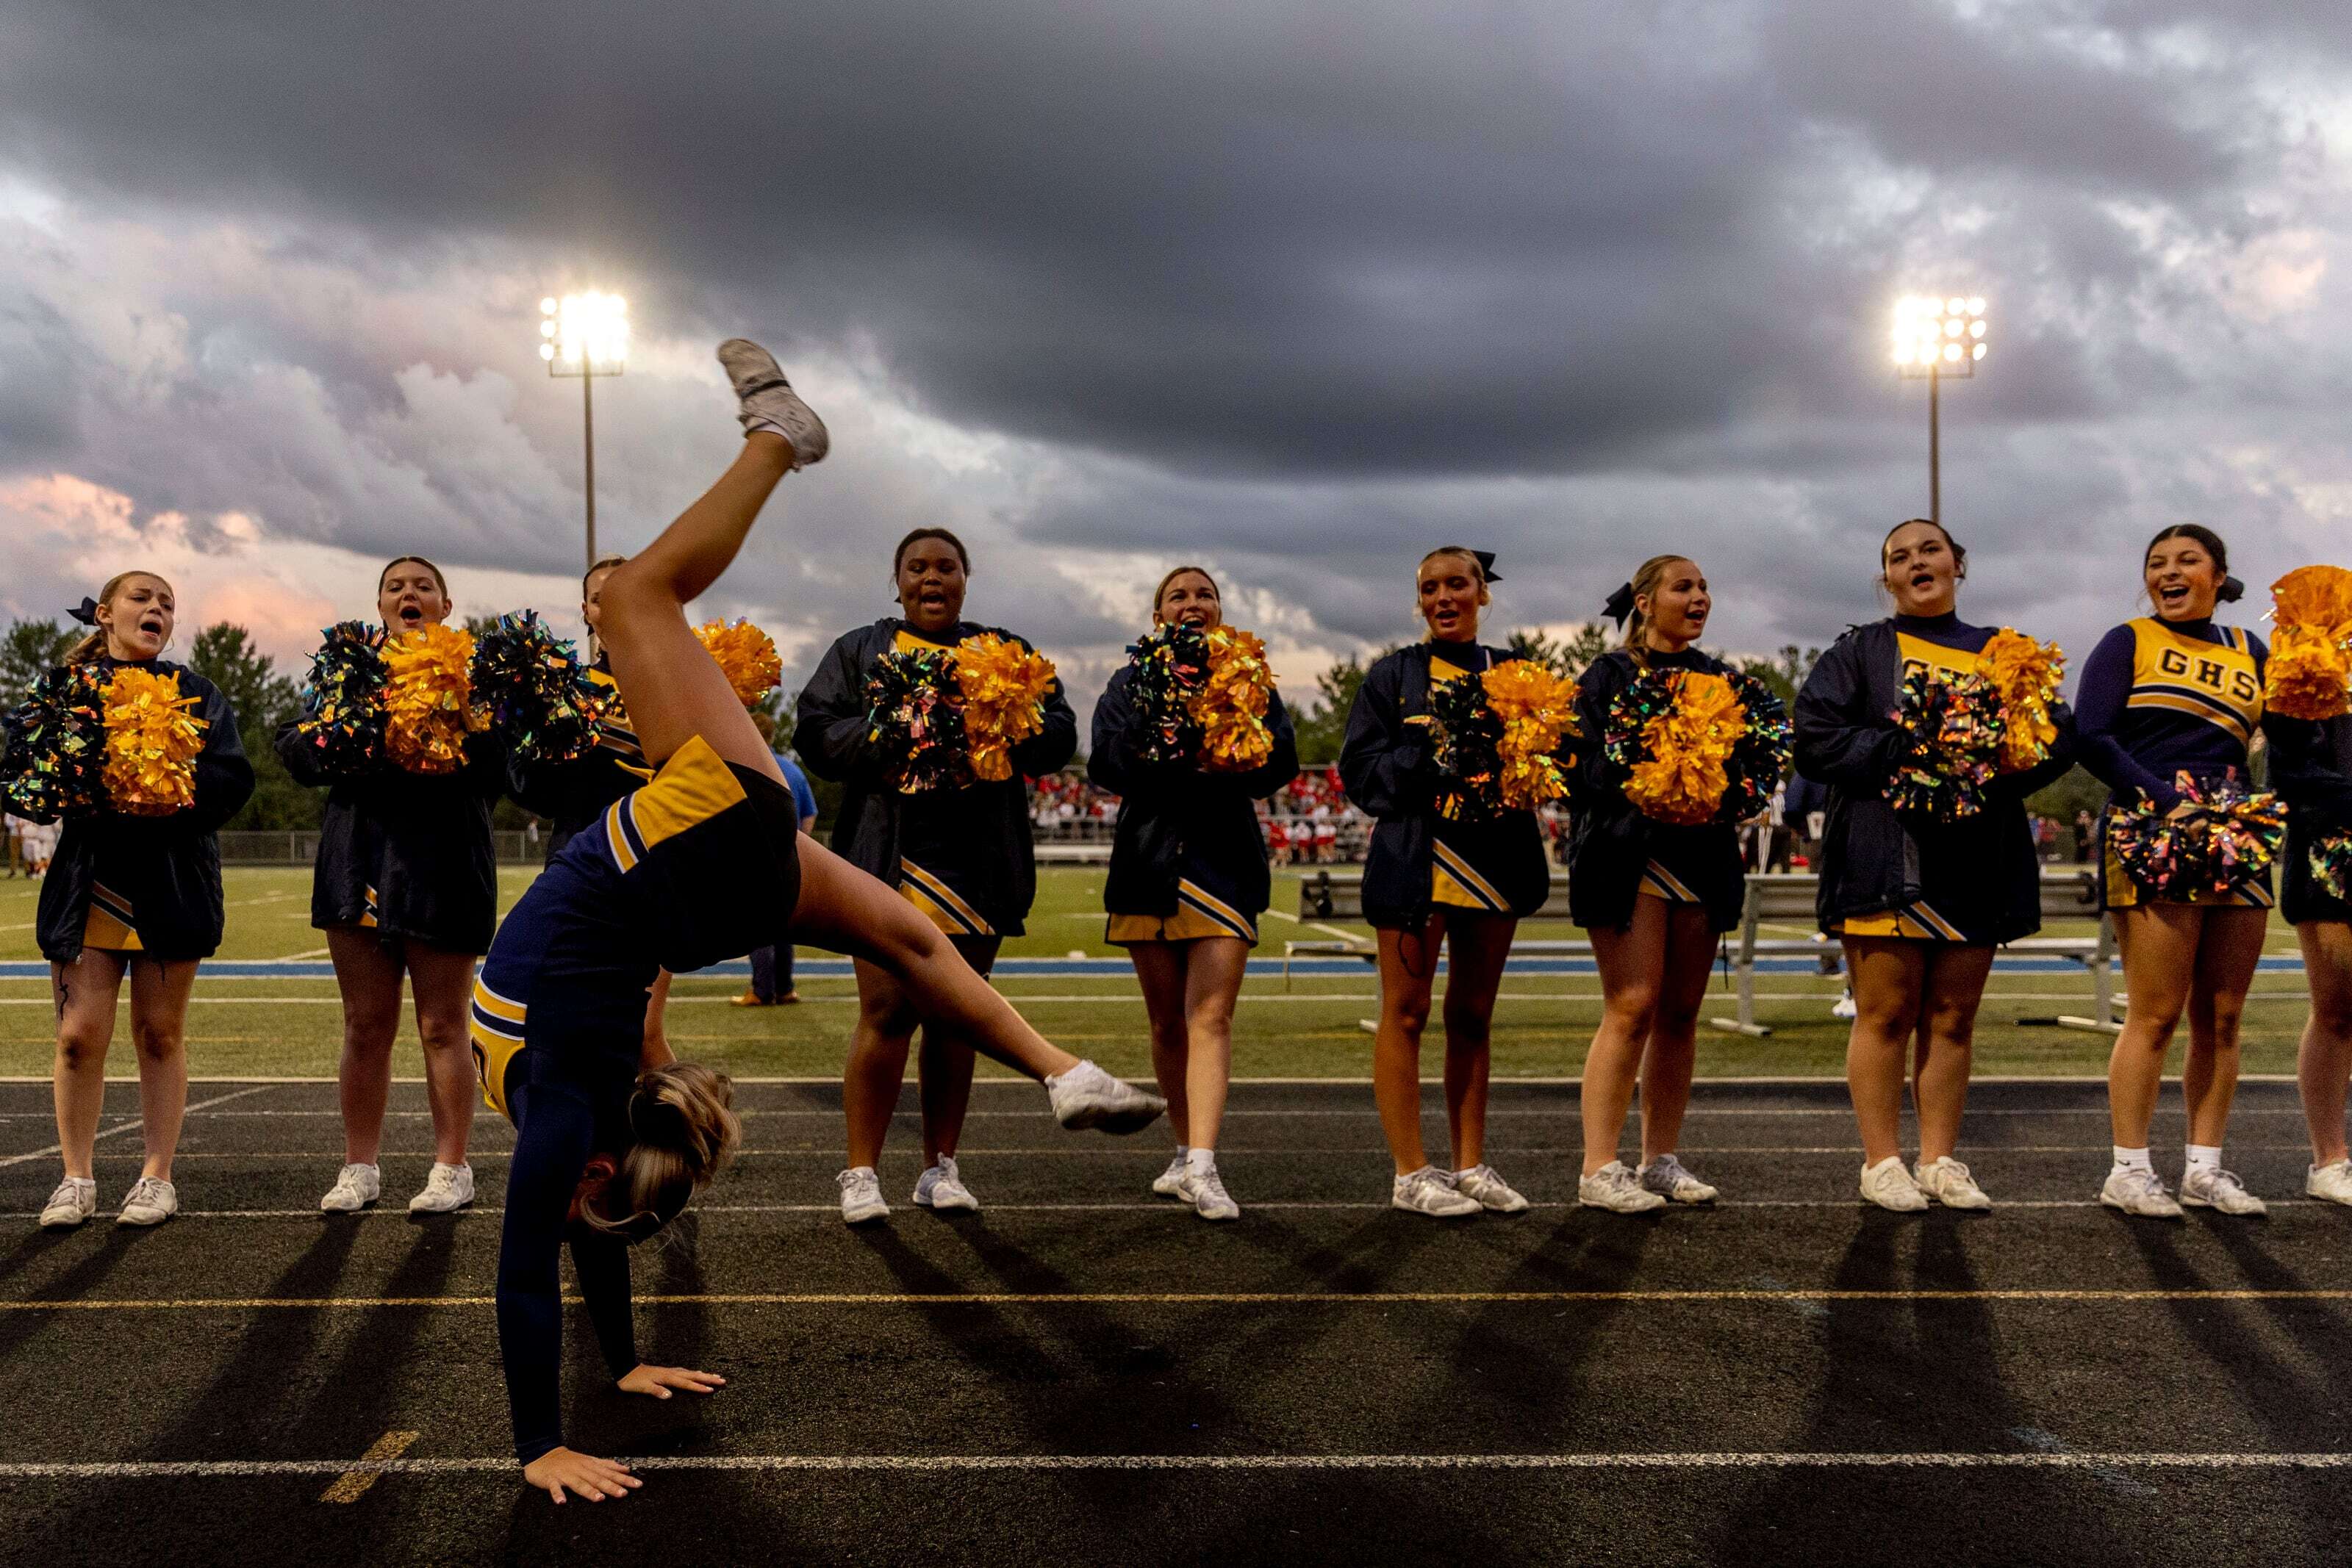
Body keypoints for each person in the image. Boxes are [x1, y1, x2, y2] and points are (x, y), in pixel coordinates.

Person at [490, 339, 1161, 1504]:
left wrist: (607, 1375)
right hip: (686, 859)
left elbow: (561, 1247)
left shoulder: (586, 1116)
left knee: (905, 937)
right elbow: (543, 1255)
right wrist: (538, 1441)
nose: (584, 1196)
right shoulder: (563, 1108)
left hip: (702, 889)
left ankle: (1065, 1073)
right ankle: (777, 435)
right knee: (636, 595)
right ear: (602, 1160)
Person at [795, 527, 1080, 1223]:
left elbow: (1059, 735)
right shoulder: (860, 650)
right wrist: (889, 727)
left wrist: (1004, 719)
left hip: (976, 860)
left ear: (965, 580)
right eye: (917, 567)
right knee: (887, 1012)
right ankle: (860, 1171)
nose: (932, 578)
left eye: (946, 567)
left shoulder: (1002, 651)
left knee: (958, 1017)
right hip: (885, 859)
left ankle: (940, 1167)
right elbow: (814, 733)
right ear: (896, 582)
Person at [1794, 519, 2076, 1212]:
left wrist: (1989, 769)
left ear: (1959, 564)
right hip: (1884, 855)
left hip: (1977, 857)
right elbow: (1815, 737)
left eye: (1930, 550)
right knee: (1885, 1013)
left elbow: (2057, 737)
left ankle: (1941, 1159)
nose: (1916, 561)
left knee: (1954, 1016)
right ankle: (1882, 1162)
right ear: (1885, 577)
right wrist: (1910, 750)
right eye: (1899, 556)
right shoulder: (1859, 651)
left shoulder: (2003, 651)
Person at [279, 555, 507, 1215]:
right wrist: (349, 729)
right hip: (360, 862)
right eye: (395, 586)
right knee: (365, 1025)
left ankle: (451, 1166)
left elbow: (504, 767)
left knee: (443, 1024)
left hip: (445, 864)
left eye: (423, 586)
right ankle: (360, 1167)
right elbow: (296, 750)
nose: (409, 593)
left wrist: (466, 722)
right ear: (379, 604)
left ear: (446, 602)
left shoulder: (476, 675)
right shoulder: (347, 670)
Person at [32, 573, 254, 1229]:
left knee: (158, 1034)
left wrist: (169, 780)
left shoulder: (197, 693)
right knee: (77, 1038)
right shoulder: (65, 693)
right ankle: (76, 1178)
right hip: (89, 883)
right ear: (104, 614)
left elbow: (231, 780)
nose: (156, 609)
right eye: (141, 598)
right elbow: (28, 776)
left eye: (167, 604)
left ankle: (157, 1176)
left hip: (170, 882)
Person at [1340, 547, 1546, 1218]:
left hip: (1496, 862)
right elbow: (1362, 777)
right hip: (1416, 863)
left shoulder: (1517, 675)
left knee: (1473, 1017)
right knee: (1407, 1013)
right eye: (1431, 588)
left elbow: (1553, 762)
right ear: (1421, 601)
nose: (1444, 598)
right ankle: (1410, 1172)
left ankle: (1470, 1166)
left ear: (1483, 593)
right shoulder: (1391, 676)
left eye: (1458, 584)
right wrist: (1432, 749)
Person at [1090, 565, 1300, 1220]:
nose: (1192, 602)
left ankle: (1205, 1165)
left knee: (1210, 1015)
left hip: (1223, 862)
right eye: (1178, 595)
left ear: (1218, 610)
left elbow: (1281, 762)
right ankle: (1183, 1151)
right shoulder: (1128, 682)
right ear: (1158, 616)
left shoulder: (1250, 677)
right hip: (1148, 861)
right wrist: (1186, 754)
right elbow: (1106, 763)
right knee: (1164, 1021)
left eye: (1204, 594)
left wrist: (1232, 756)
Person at [2078, 525, 2270, 1218]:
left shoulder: (2252, 650)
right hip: (2150, 817)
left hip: (2234, 825)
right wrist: (2167, 801)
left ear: (2219, 576)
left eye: (2188, 561)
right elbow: (2090, 736)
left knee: (2222, 1015)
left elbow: (2299, 731)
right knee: (2156, 1014)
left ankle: (2205, 1168)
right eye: (2157, 563)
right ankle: (2128, 1169)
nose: (2170, 571)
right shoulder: (2128, 640)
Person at [1568, 556, 1748, 1212]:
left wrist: (1733, 785)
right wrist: (1649, 772)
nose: (1699, 597)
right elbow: (1578, 773)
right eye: (1684, 587)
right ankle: (1598, 1167)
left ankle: (1659, 1160)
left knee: (1680, 1015)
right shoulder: (1606, 676)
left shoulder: (1722, 680)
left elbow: (1748, 772)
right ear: (1644, 603)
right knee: (1634, 1006)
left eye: (1704, 587)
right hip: (1628, 858)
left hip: (1703, 858)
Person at [2267, 677, 2352, 1206]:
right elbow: (2290, 773)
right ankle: (2330, 1160)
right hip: (2331, 851)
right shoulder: (2312, 658)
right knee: (2338, 1010)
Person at [734, 716, 819, 1007]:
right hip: (789, 857)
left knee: (757, 926)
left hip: (753, 855)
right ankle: (785, 988)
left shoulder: (744, 768)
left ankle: (761, 990)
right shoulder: (792, 770)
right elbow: (809, 814)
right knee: (785, 926)